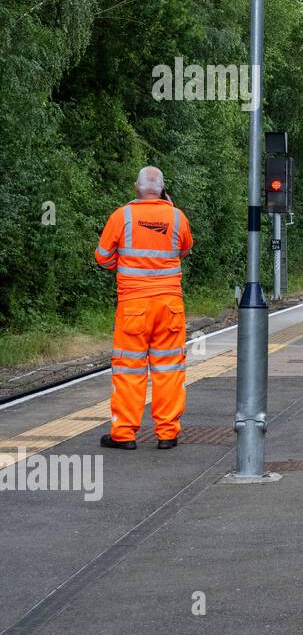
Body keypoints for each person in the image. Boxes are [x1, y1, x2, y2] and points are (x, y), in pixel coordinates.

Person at [94, 167, 194, 449]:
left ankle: (124, 435)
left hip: (133, 307)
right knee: (169, 369)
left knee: (129, 370)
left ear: (137, 187)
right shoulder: (177, 216)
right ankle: (167, 434)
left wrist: (124, 268)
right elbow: (184, 250)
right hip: (169, 307)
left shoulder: (122, 215)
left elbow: (102, 257)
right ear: (163, 190)